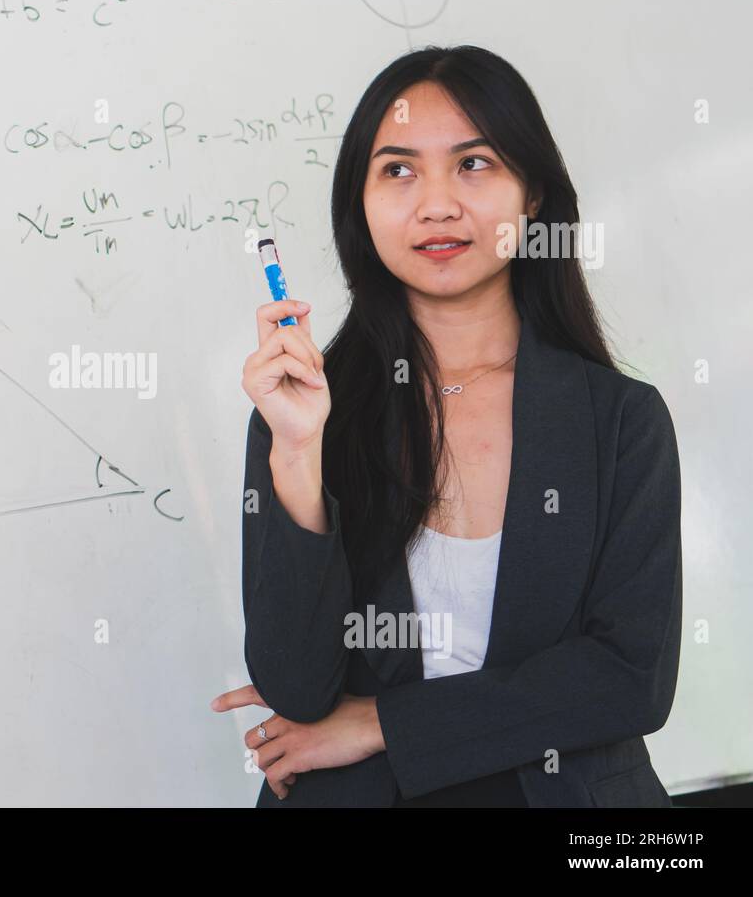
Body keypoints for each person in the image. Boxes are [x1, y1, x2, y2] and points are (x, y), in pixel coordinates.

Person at [210, 45, 682, 808]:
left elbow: (629, 680)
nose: (436, 204)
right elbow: (296, 685)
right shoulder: (302, 415)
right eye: (397, 170)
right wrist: (299, 457)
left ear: (532, 198)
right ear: (358, 205)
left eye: (475, 164)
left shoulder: (620, 420)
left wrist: (386, 723)